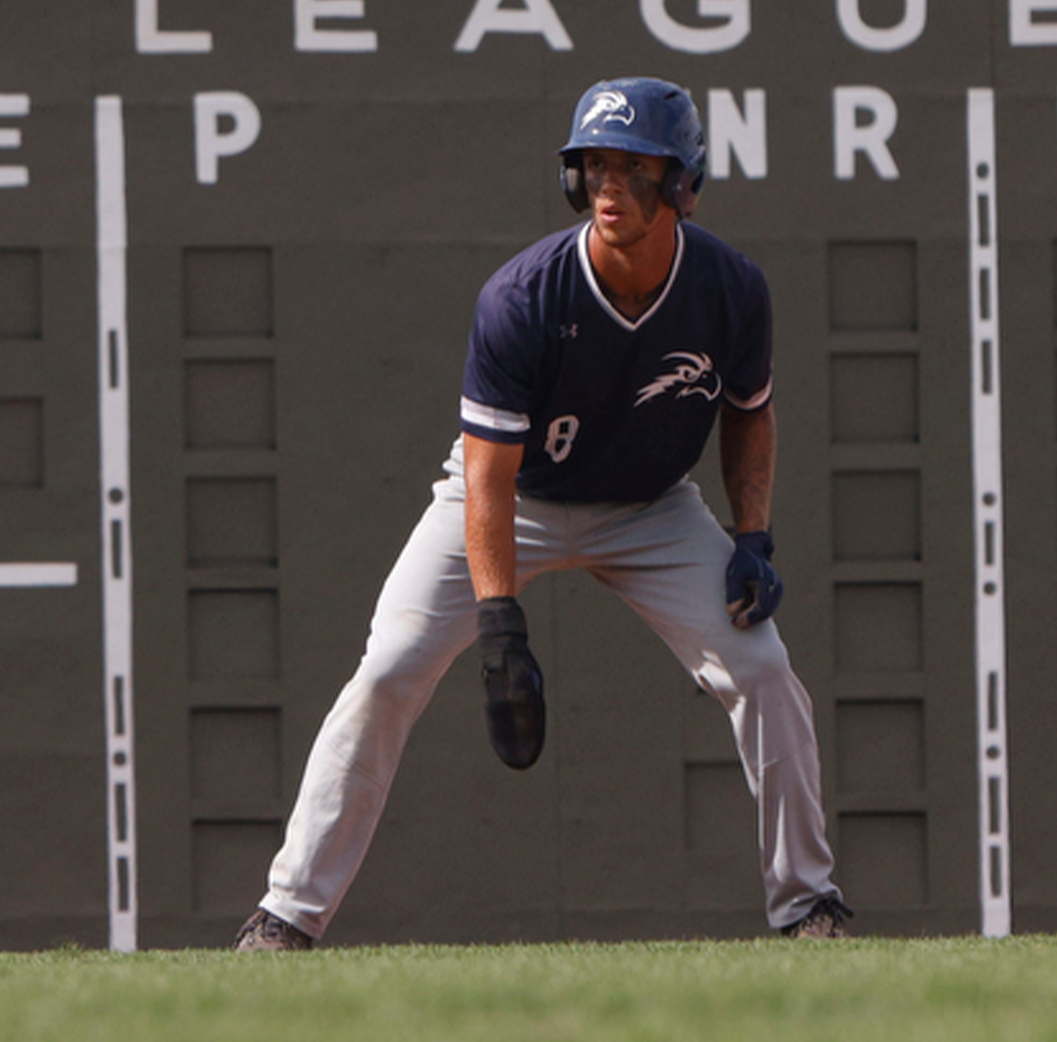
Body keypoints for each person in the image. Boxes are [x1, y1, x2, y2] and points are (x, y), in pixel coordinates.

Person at [233, 78, 850, 952]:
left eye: (634, 167)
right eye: (594, 165)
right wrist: (499, 623)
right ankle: (288, 913)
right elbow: (488, 476)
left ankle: (807, 903)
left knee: (763, 670)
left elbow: (749, 412)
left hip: (650, 508)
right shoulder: (523, 296)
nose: (609, 186)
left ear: (682, 183)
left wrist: (752, 534)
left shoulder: (730, 287)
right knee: (388, 670)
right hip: (512, 499)